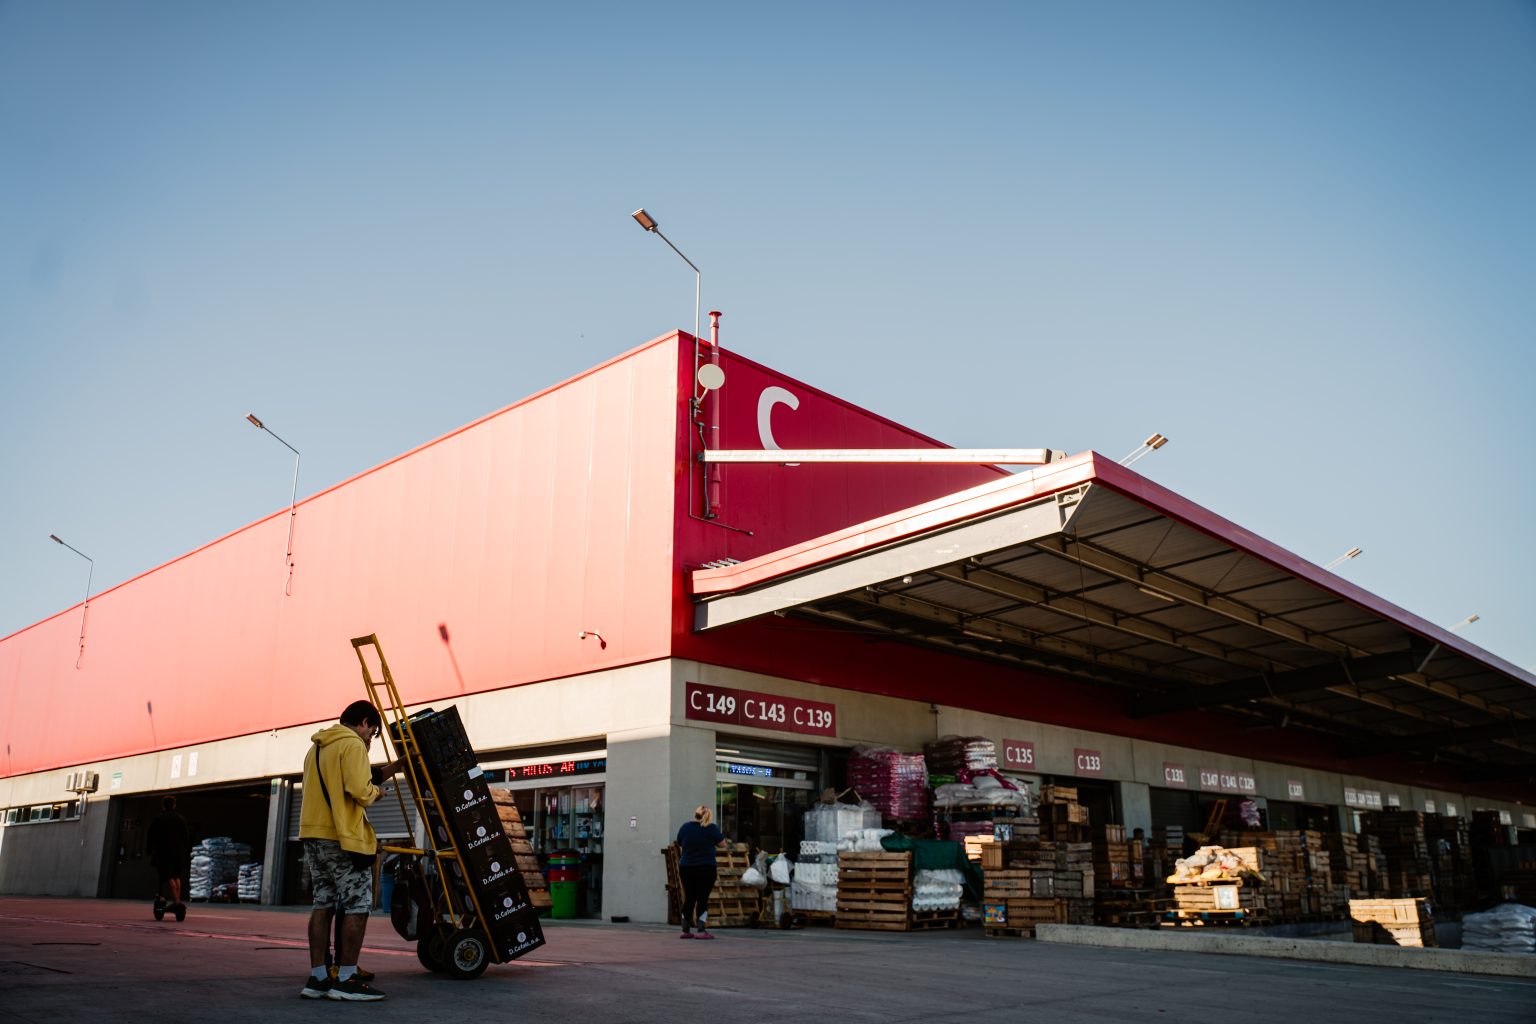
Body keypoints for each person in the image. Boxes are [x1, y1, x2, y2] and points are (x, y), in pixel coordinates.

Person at [298, 700, 402, 1001]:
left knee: (323, 903)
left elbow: (347, 779)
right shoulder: (353, 745)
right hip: (342, 839)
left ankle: (318, 977)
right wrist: (377, 793)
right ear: (365, 722)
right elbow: (361, 789)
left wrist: (394, 768)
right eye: (373, 732)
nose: (371, 738)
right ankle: (346, 979)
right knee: (358, 905)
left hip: (314, 836)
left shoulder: (317, 747)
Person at [676, 804, 728, 939]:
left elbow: (680, 843)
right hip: (706, 868)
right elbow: (723, 844)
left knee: (690, 897)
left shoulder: (685, 827)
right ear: (708, 816)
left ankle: (685, 930)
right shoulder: (711, 828)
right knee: (702, 898)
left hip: (686, 867)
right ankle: (700, 930)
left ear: (695, 814)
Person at [146, 796, 191, 912]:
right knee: (176, 876)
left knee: (167, 876)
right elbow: (186, 836)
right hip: (179, 853)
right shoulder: (180, 819)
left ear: (163, 805)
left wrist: (149, 850)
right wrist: (186, 851)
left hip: (164, 853)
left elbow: (150, 836)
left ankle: (176, 902)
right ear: (174, 805)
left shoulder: (158, 819)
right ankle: (178, 900)